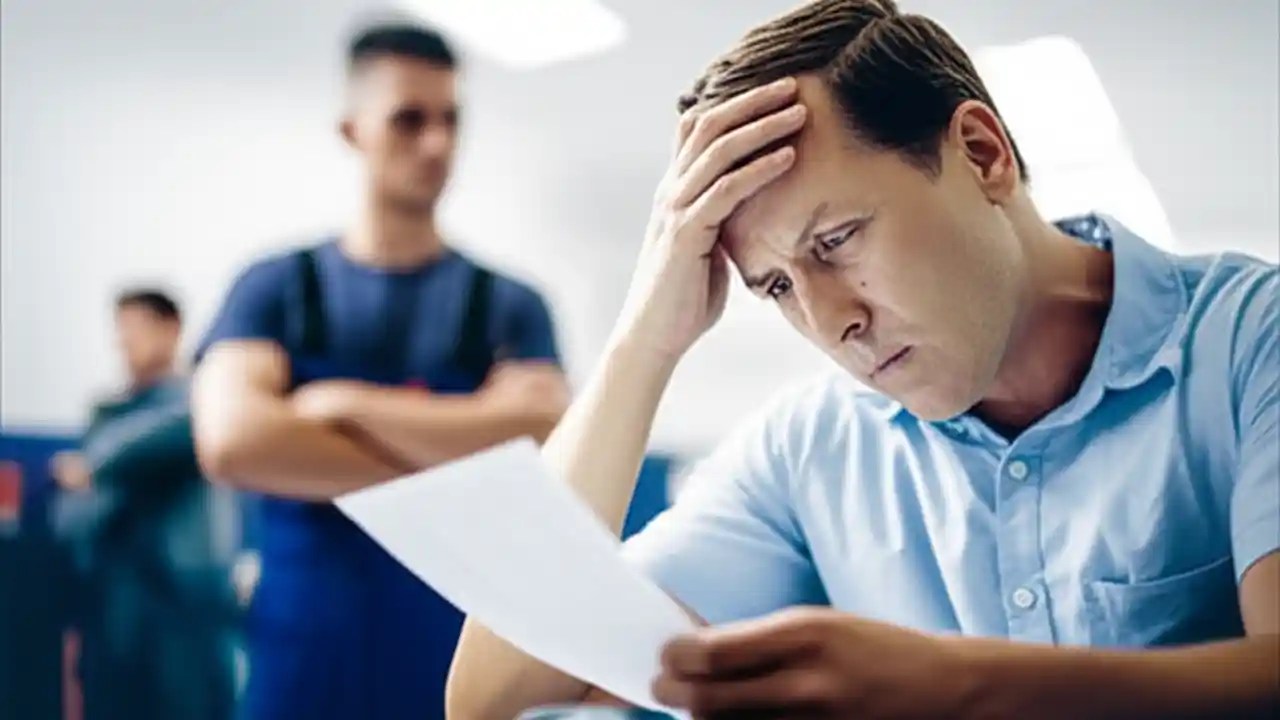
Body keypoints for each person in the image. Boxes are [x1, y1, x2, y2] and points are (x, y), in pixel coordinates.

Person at [447, 1, 1280, 717]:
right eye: (775, 286)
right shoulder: (807, 451)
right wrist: (642, 342)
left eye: (836, 240)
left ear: (982, 153)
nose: (828, 321)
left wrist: (959, 688)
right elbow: (500, 703)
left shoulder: (1251, 339)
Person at [190, 22, 569, 720]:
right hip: (300, 669)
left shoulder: (507, 305)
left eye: (452, 120)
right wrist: (462, 463)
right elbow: (233, 442)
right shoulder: (274, 289)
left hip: (454, 672)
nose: (437, 144)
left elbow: (548, 436)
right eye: (409, 120)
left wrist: (342, 404)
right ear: (351, 130)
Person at [51, 289, 238, 720]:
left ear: (171, 329)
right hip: (113, 598)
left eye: (137, 328)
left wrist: (94, 466)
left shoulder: (197, 402)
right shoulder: (109, 411)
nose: (125, 342)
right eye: (120, 331)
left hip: (179, 600)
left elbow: (165, 436)